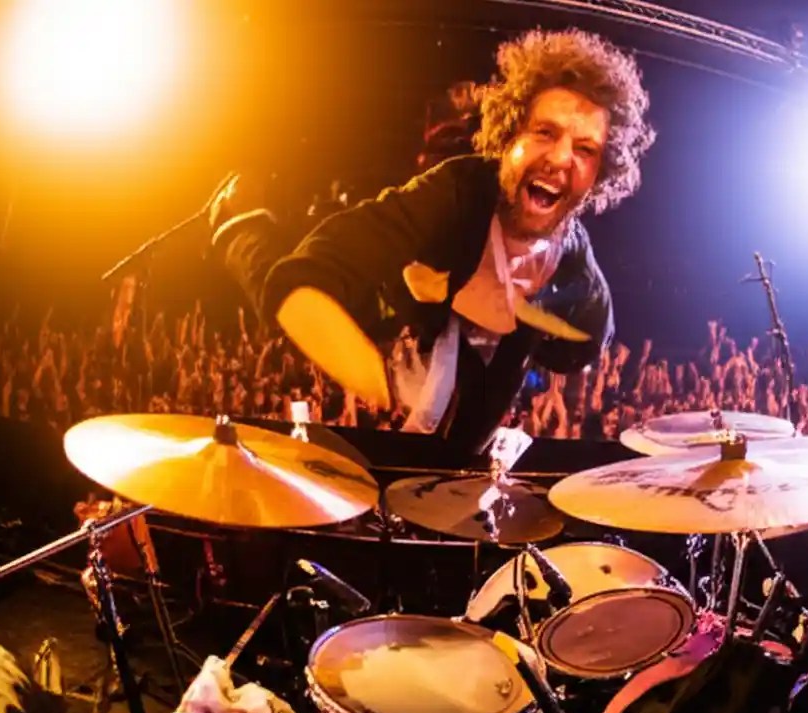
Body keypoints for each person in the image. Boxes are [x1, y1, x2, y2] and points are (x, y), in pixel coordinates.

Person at [208, 29, 655, 454]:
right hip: (380, 340)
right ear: (510, 135)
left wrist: (509, 313)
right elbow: (305, 274)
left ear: (601, 172)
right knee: (268, 270)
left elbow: (584, 347)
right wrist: (377, 385)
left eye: (585, 149)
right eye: (545, 132)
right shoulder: (455, 191)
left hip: (458, 449)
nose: (560, 159)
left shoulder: (576, 266)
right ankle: (237, 222)